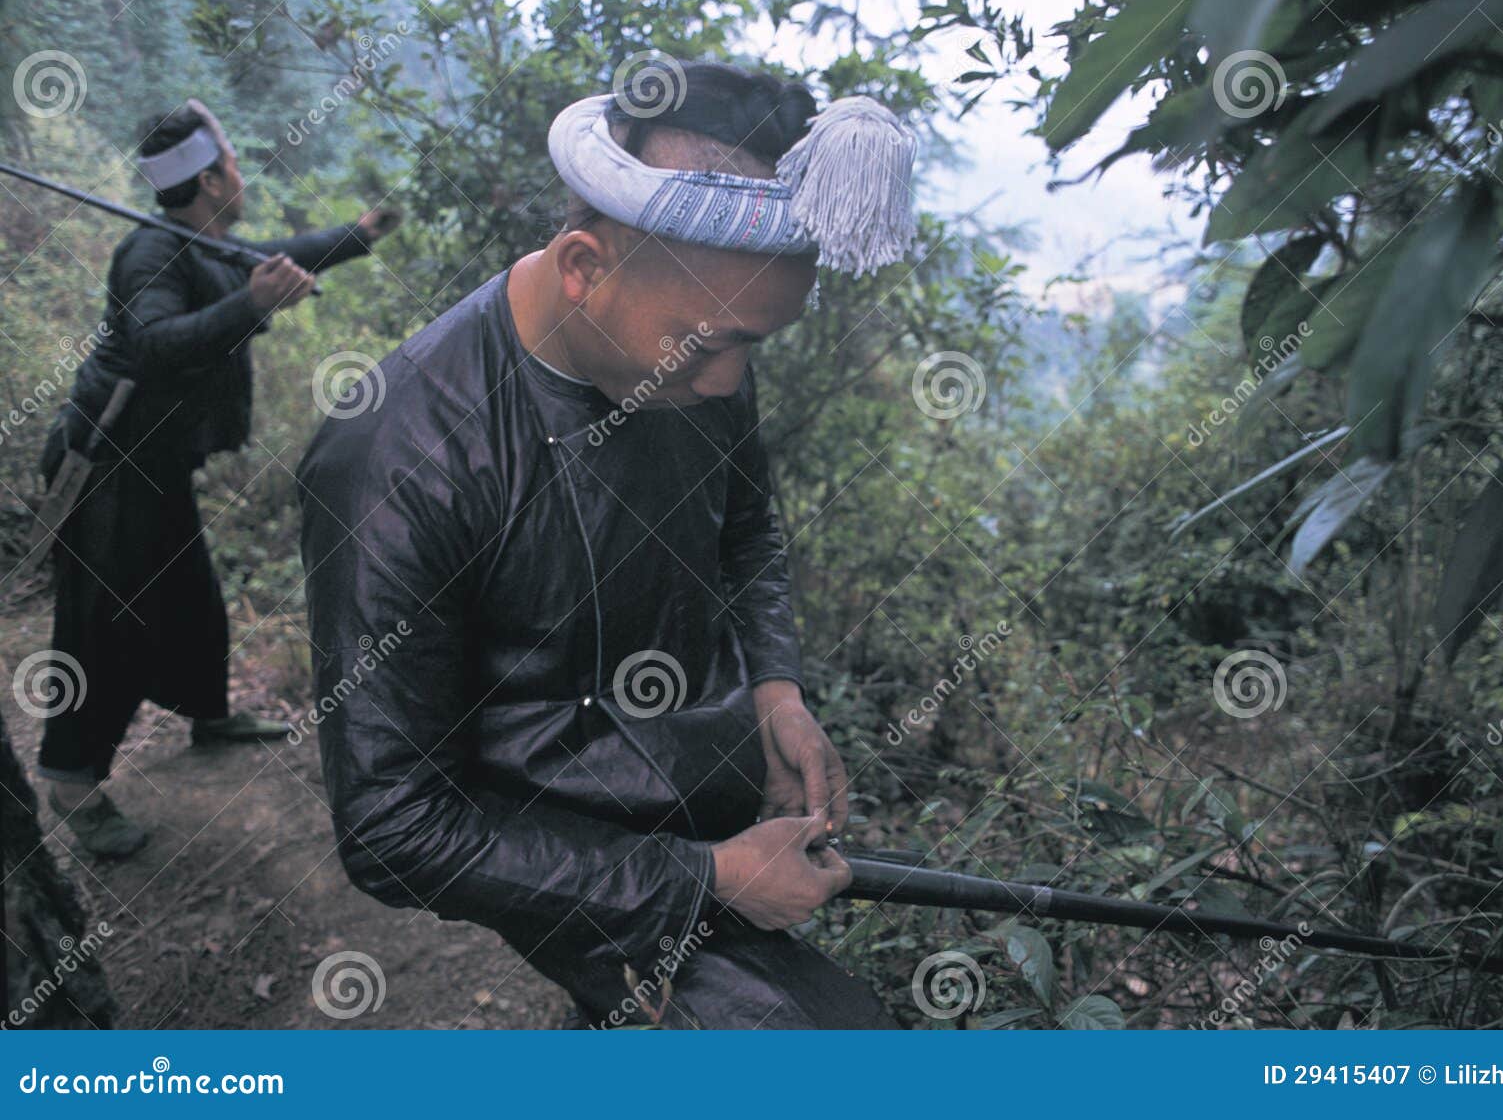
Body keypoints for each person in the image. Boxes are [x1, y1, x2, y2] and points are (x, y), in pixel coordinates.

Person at [296, 62, 917, 1028]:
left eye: (754, 345)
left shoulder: (697, 346)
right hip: (547, 832)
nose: (729, 383)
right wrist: (704, 880)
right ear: (585, 266)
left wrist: (775, 690)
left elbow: (746, 524)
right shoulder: (399, 454)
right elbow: (392, 825)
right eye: (712, 345)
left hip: (695, 771)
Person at [33, 100, 401, 858]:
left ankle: (210, 714)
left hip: (155, 464)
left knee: (192, 597)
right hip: (107, 464)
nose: (241, 176)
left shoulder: (200, 242)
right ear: (208, 181)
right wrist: (252, 303)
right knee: (102, 627)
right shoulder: (151, 256)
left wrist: (356, 236)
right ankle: (69, 780)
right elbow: (155, 345)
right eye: (233, 165)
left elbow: (274, 253)